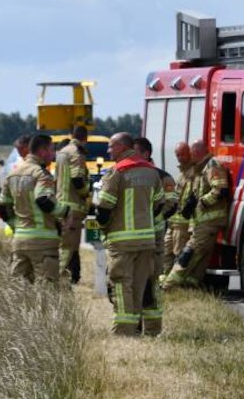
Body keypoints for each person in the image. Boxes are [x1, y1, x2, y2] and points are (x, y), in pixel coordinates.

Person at [95, 132, 163, 336]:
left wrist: (103, 227)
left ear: (123, 147)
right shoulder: (151, 171)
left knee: (121, 284)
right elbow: (159, 204)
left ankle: (124, 331)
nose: (108, 150)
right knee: (140, 285)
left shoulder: (117, 172)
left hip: (121, 241)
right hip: (146, 241)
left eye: (111, 146)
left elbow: (104, 208)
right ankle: (137, 328)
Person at [0, 133, 68, 284]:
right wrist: (66, 211)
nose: (53, 154)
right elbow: (43, 200)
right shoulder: (41, 174)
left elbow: (2, 206)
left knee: (19, 290)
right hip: (43, 243)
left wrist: (15, 226)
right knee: (47, 291)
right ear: (42, 151)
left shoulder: (12, 174)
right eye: (51, 149)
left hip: (20, 241)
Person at [163, 138, 229, 290]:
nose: (190, 156)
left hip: (209, 221)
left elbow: (220, 189)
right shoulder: (202, 168)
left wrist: (201, 202)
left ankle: (168, 286)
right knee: (201, 257)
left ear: (197, 152)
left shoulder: (212, 165)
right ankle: (191, 285)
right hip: (204, 222)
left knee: (189, 254)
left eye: (191, 153)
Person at [131, 137, 177, 296]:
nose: (131, 156)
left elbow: (172, 204)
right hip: (132, 237)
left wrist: (152, 221)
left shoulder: (163, 177)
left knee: (152, 277)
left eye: (135, 152)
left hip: (154, 237)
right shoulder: (129, 175)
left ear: (146, 154)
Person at [55, 126, 90, 284]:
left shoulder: (63, 151)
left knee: (67, 246)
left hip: (61, 205)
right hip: (73, 208)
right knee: (68, 248)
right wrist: (86, 195)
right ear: (85, 138)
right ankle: (59, 279)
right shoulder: (77, 153)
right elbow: (77, 179)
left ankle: (70, 278)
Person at [162, 142, 193, 276]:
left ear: (190, 153)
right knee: (165, 252)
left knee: (179, 254)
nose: (180, 157)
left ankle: (175, 284)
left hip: (182, 224)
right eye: (178, 155)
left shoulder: (193, 173)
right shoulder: (182, 173)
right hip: (173, 222)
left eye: (183, 154)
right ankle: (165, 279)